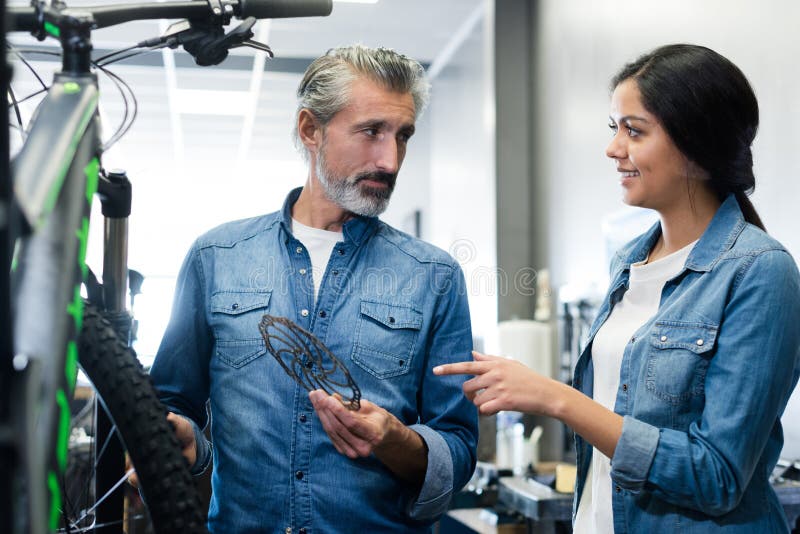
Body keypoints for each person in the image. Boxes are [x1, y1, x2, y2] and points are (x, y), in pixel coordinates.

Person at [435, 44, 800, 532]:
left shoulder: (760, 272)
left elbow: (717, 476)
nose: (614, 148)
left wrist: (557, 399)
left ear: (695, 143)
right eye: (615, 129)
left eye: (634, 130)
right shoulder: (628, 261)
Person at [150, 45, 478, 533]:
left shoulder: (436, 275)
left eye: (402, 135)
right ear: (311, 129)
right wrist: (181, 440)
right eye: (371, 132)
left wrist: (396, 440)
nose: (390, 160)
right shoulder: (216, 258)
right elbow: (173, 405)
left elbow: (458, 447)